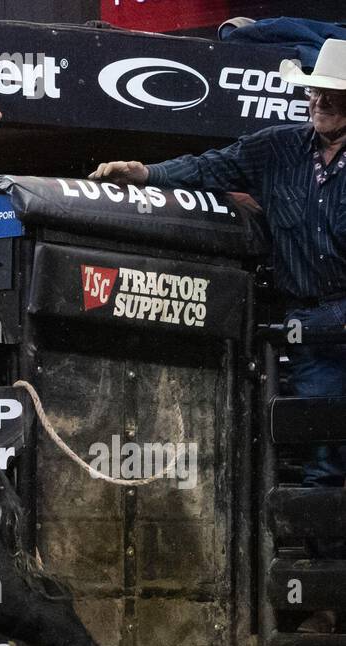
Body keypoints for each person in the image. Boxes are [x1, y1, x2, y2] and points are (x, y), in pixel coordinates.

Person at [91, 39, 346, 491]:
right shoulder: (278, 147)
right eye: (315, 91)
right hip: (311, 319)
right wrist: (146, 174)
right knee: (322, 451)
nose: (320, 102)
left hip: (330, 314)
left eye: (333, 94)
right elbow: (208, 168)